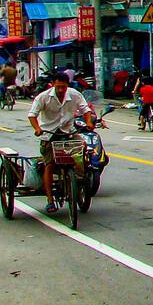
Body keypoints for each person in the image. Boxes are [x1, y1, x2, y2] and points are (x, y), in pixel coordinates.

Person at [26, 72, 97, 214]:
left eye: (63, 87)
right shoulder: (43, 97)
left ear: (67, 85)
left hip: (68, 132)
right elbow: (32, 115)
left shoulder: (74, 94)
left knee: (83, 148)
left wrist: (89, 122)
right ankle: (50, 200)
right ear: (53, 84)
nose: (60, 90)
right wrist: (37, 128)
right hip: (49, 135)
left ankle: (80, 178)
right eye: (58, 87)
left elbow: (85, 110)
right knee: (50, 165)